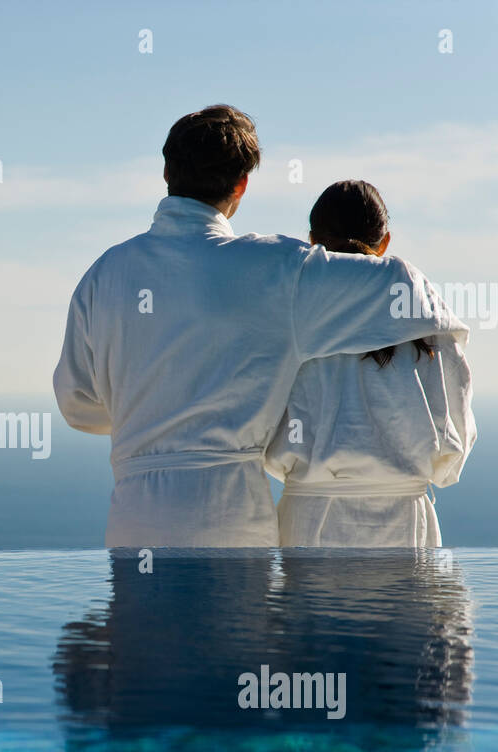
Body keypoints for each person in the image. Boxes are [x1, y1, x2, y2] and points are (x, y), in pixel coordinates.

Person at [53, 105, 470, 547]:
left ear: (166, 172)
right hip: (228, 515)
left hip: (134, 516)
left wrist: (151, 413)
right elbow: (393, 284)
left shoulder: (104, 274)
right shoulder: (273, 268)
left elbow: (78, 404)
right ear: (242, 184)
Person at [265, 181, 476, 546]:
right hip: (405, 520)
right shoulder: (424, 312)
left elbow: (261, 414)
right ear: (385, 241)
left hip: (309, 515)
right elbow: (454, 423)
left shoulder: (287, 310)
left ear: (313, 240)